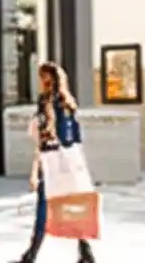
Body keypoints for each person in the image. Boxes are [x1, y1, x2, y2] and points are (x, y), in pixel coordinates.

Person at [13, 62, 95, 263]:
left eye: (43, 78)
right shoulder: (68, 103)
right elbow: (75, 138)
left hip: (52, 161)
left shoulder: (47, 102)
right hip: (67, 160)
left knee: (43, 209)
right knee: (71, 205)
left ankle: (31, 255)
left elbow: (44, 139)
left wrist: (35, 170)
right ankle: (85, 252)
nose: (41, 82)